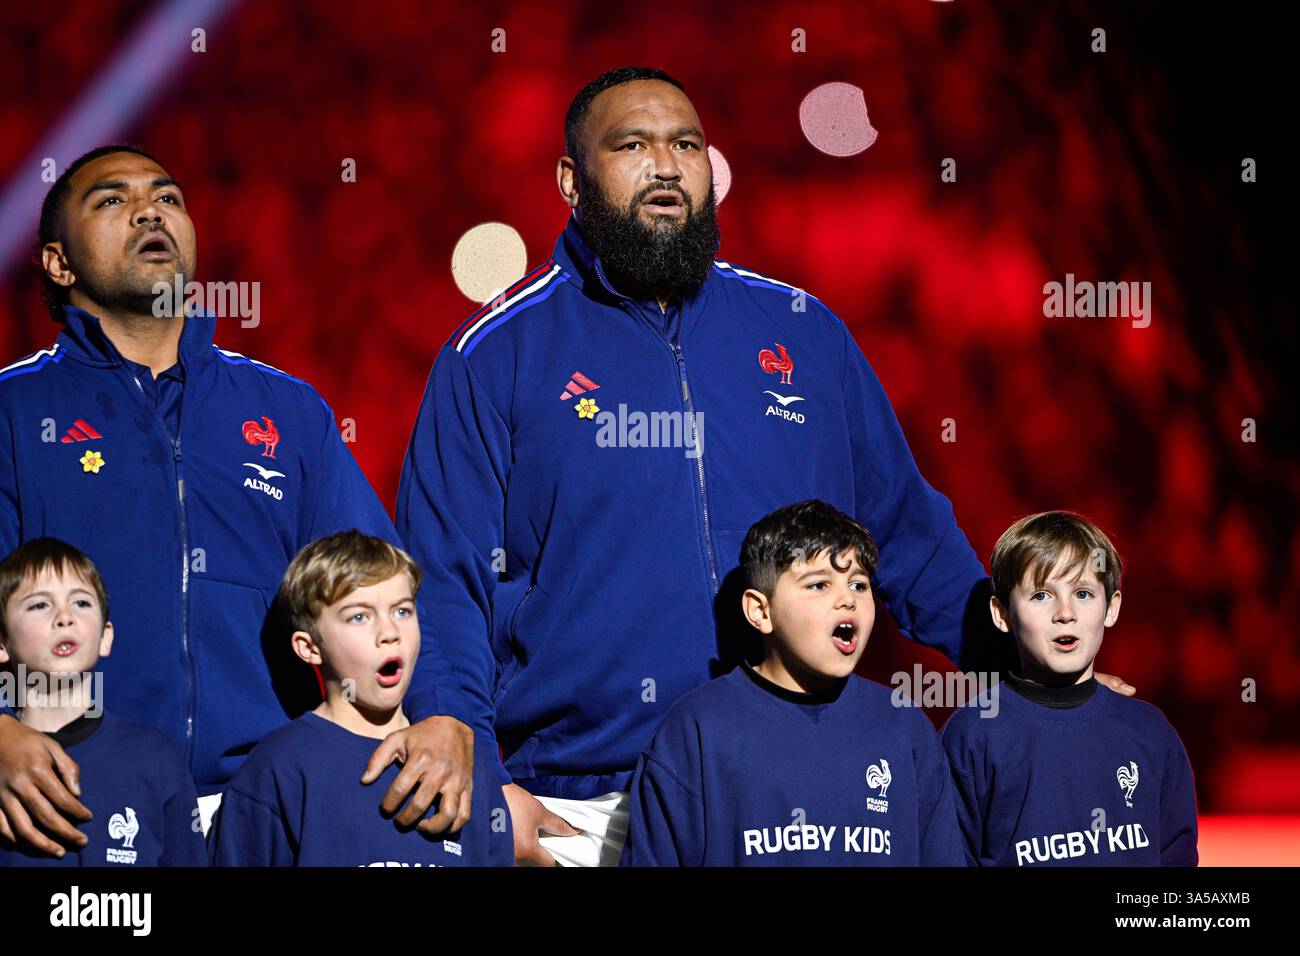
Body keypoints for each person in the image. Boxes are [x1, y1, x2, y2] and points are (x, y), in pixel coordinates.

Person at [398, 64, 1135, 867]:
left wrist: (1038, 676)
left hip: (805, 782)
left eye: (687, 144)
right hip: (585, 803)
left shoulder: (804, 332)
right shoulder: (494, 355)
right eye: (632, 146)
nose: (667, 166)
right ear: (571, 181)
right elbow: (443, 575)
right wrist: (467, 750)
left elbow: (908, 534)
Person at [0, 146, 476, 857]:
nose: (149, 211)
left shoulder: (286, 409)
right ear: (58, 263)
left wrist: (445, 717)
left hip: (270, 806)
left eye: (168, 198)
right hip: (75, 800)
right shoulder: (13, 411)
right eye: (112, 200)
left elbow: (386, 584)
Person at [620, 500, 965, 866]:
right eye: (818, 584)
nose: (847, 599)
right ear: (760, 611)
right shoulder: (695, 732)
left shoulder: (905, 727)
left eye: (859, 584)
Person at [208, 531, 512, 866]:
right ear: (309, 647)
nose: (389, 633)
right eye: (359, 617)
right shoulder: (279, 768)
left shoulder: (463, 763)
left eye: (402, 611)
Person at [941, 511, 1198, 866]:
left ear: (1111, 607)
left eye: (1083, 593)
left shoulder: (1149, 732)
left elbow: (1176, 855)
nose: (1065, 612)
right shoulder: (972, 736)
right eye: (1041, 595)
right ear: (1002, 614)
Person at [0, 538, 204, 866]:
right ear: (2, 643)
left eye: (81, 603)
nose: (64, 617)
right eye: (39, 605)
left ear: (105, 636)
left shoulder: (156, 758)